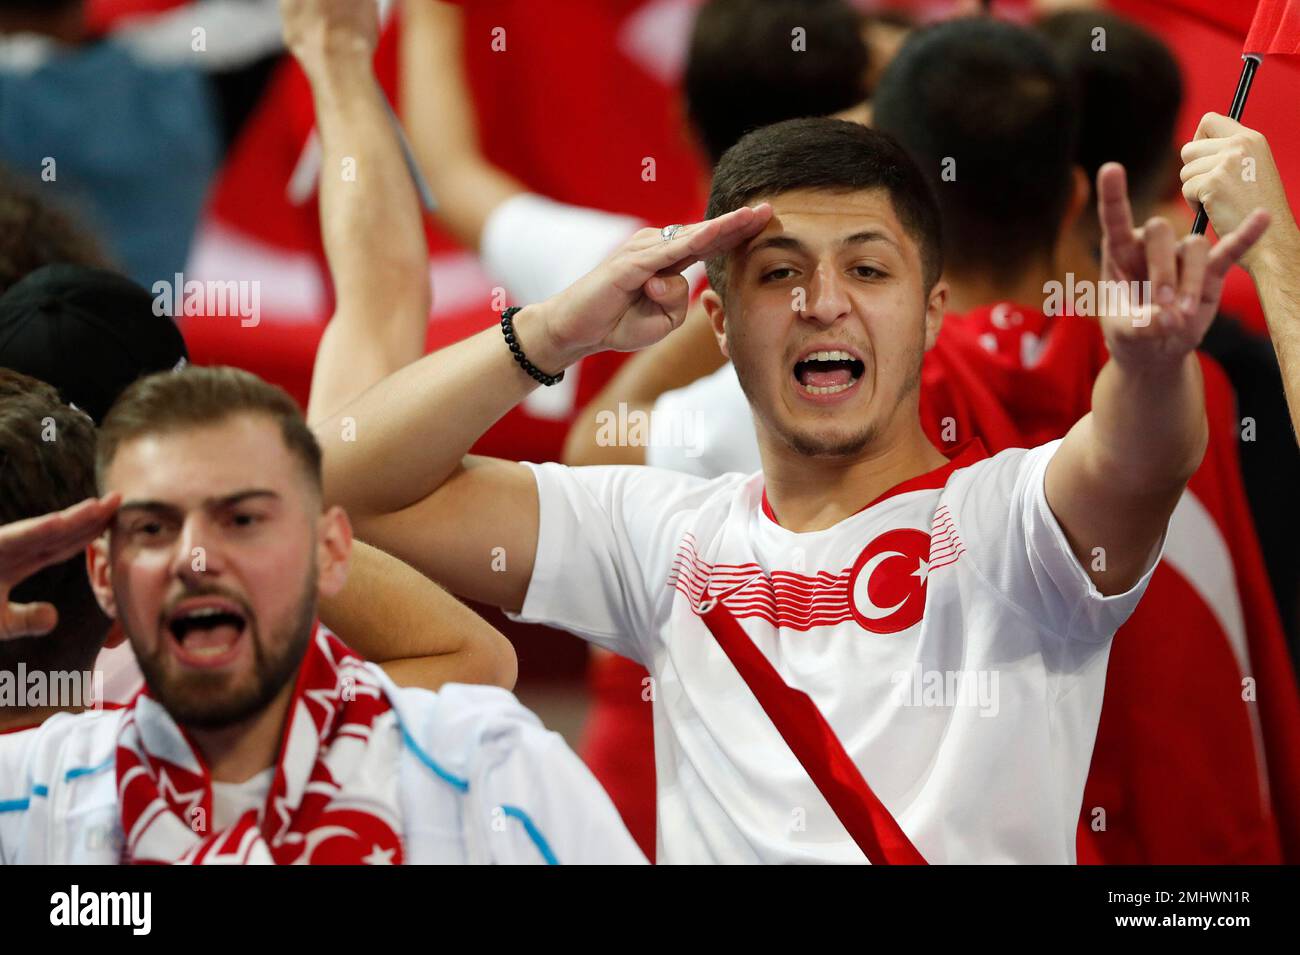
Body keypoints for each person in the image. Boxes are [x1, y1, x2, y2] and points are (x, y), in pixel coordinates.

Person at [318, 104, 1270, 861]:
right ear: (720, 325)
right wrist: (555, 333)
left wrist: (1150, 367)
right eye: (779, 275)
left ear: (934, 311)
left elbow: (1139, 458)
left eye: (867, 267)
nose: (823, 303)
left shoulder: (1012, 525)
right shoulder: (658, 534)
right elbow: (341, 488)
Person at [0, 363, 642, 864]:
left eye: (243, 520)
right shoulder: (35, 791)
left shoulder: (490, 771)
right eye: (153, 526)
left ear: (331, 553)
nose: (194, 558)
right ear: (104, 578)